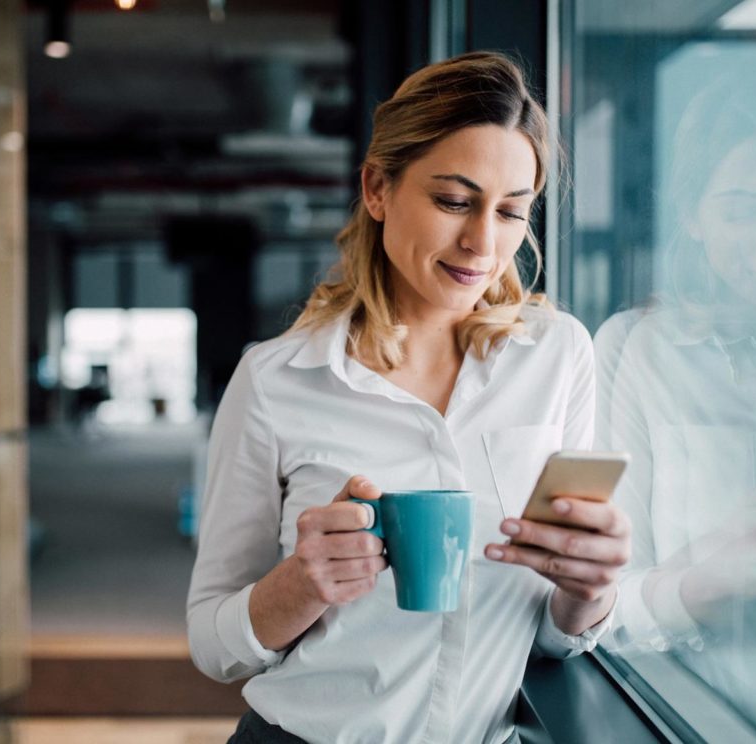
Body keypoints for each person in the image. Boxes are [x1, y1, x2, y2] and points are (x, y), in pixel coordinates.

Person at [187, 51, 631, 744]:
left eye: (512, 212)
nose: (484, 244)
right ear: (377, 190)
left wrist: (590, 589)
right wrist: (301, 585)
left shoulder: (558, 355)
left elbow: (549, 631)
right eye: (454, 201)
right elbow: (214, 644)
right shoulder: (277, 381)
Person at [596, 65, 756, 742]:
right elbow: (595, 609)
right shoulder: (635, 353)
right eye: (743, 209)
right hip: (694, 721)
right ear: (692, 212)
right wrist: (709, 579)